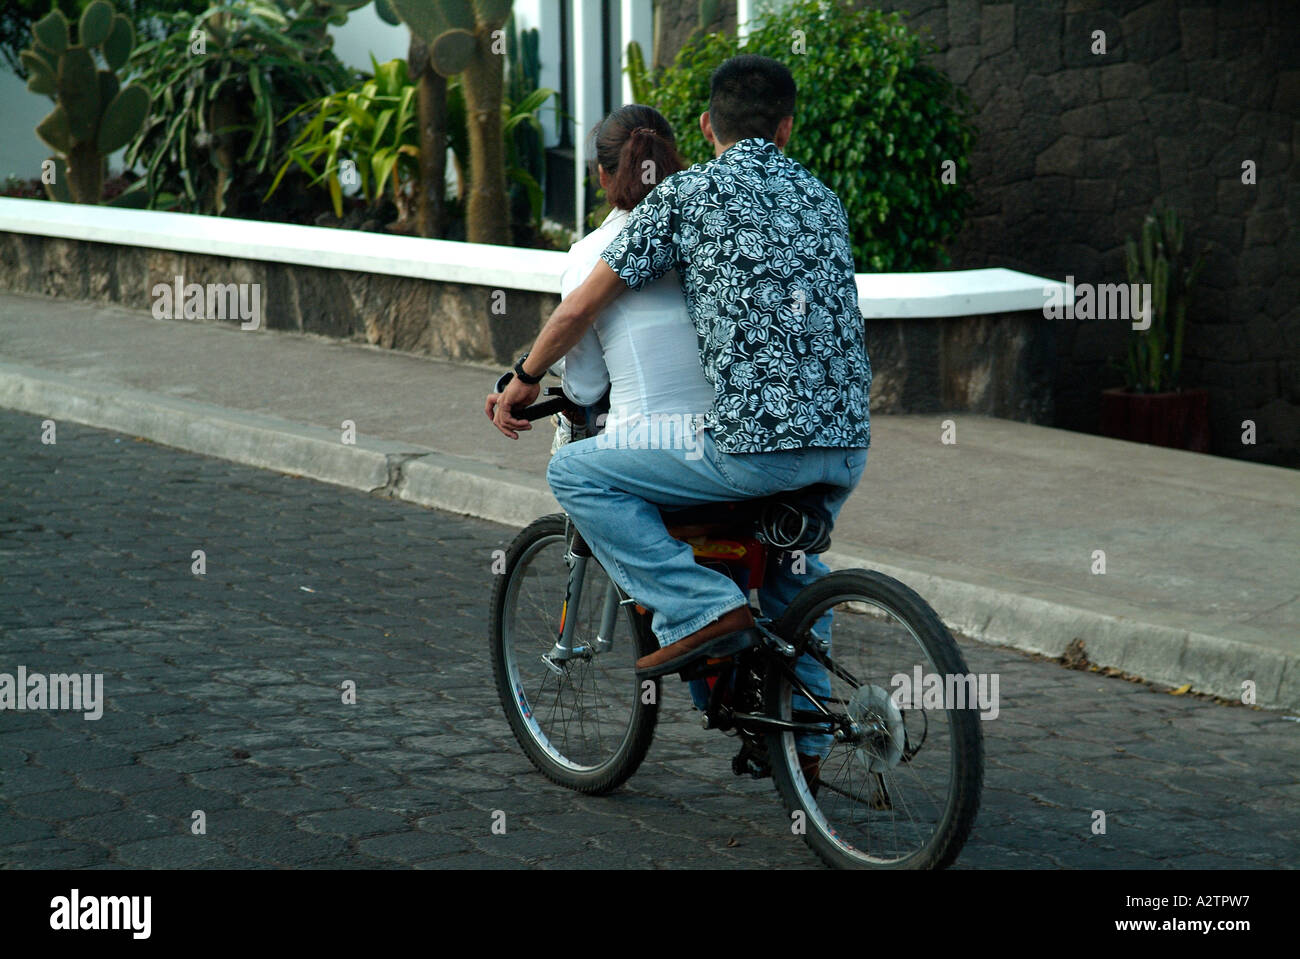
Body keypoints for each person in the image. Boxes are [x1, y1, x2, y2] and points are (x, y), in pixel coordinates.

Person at [486, 55, 872, 773]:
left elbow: (581, 308)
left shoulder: (686, 197)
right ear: (787, 127)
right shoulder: (823, 199)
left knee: (576, 470)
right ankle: (808, 750)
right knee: (788, 570)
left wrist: (523, 377)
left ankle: (698, 610)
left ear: (707, 125)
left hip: (753, 449)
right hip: (846, 449)